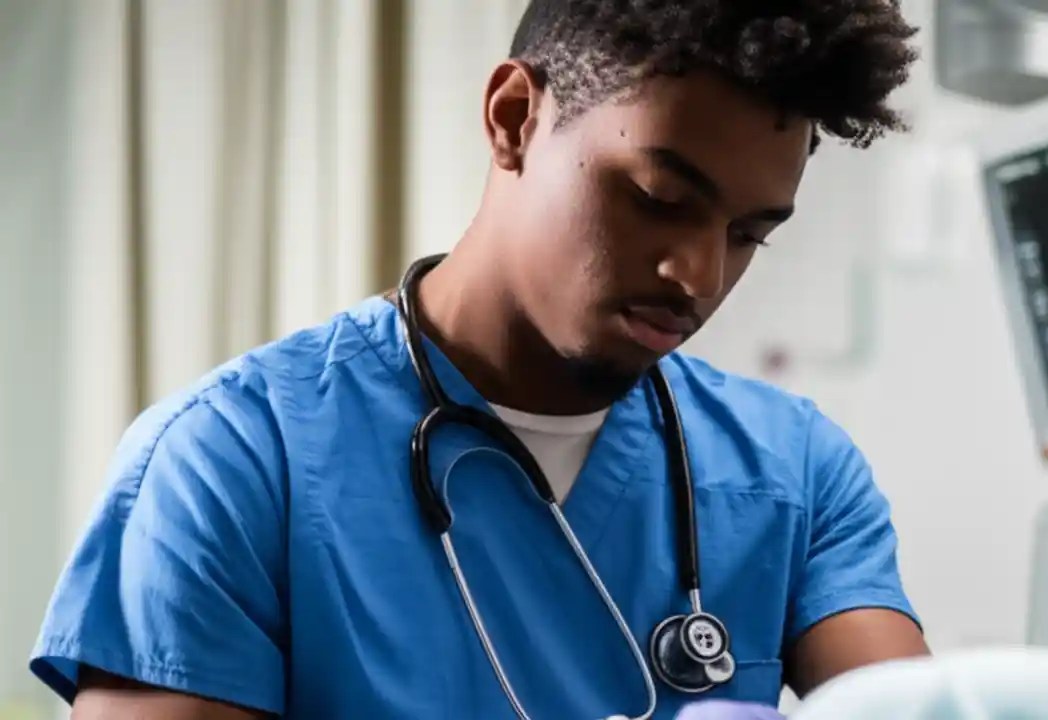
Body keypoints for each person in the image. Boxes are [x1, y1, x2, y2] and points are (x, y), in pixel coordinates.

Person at [30, 1, 927, 718]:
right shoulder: (234, 460)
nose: (697, 275)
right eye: (658, 198)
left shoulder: (795, 474)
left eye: (747, 235)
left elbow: (907, 708)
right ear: (514, 118)